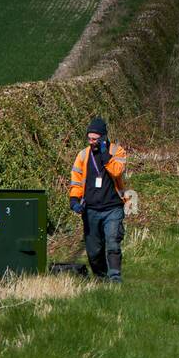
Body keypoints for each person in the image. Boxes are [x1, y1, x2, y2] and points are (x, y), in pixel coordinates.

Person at [68, 117, 127, 282]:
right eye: (89, 138)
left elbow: (117, 172)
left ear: (103, 137)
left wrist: (104, 154)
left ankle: (115, 278)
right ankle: (101, 278)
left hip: (113, 208)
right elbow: (76, 180)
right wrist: (74, 200)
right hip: (91, 209)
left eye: (95, 139)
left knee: (113, 243)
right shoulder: (83, 155)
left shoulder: (117, 151)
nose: (91, 142)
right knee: (94, 251)